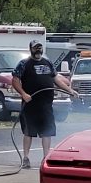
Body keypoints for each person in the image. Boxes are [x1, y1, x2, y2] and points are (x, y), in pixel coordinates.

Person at [11, 40, 77, 169]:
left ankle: (46, 158)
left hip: (46, 104)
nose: (38, 50)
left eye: (40, 48)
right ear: (31, 49)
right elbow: (15, 80)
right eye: (36, 48)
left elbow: (56, 79)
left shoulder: (47, 63)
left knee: (47, 131)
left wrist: (69, 90)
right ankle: (25, 158)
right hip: (30, 104)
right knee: (29, 132)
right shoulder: (24, 64)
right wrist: (23, 94)